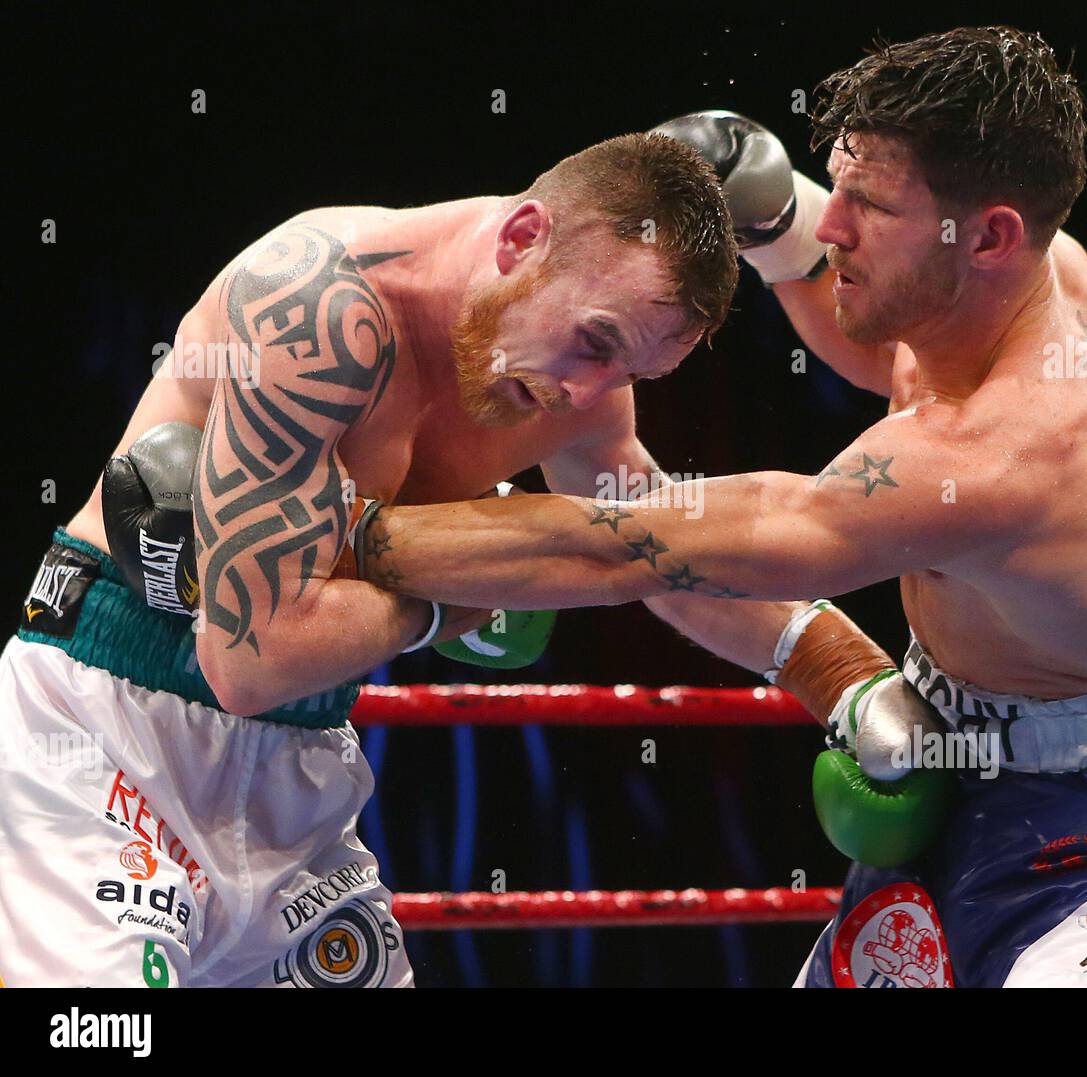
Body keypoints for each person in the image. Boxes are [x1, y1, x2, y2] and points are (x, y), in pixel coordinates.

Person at [341, 27, 1087, 987]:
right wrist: (777, 222)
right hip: (959, 782)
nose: (834, 226)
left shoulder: (1010, 452)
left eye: (868, 205)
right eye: (840, 187)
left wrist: (345, 535)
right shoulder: (1028, 278)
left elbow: (632, 548)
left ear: (989, 234)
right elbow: (877, 340)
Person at [3, 131, 920, 986]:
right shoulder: (316, 306)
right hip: (105, 729)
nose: (586, 390)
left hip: (300, 771)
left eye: (631, 376)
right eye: (594, 342)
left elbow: (645, 550)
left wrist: (841, 674)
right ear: (524, 235)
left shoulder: (577, 383)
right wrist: (471, 584)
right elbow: (251, 659)